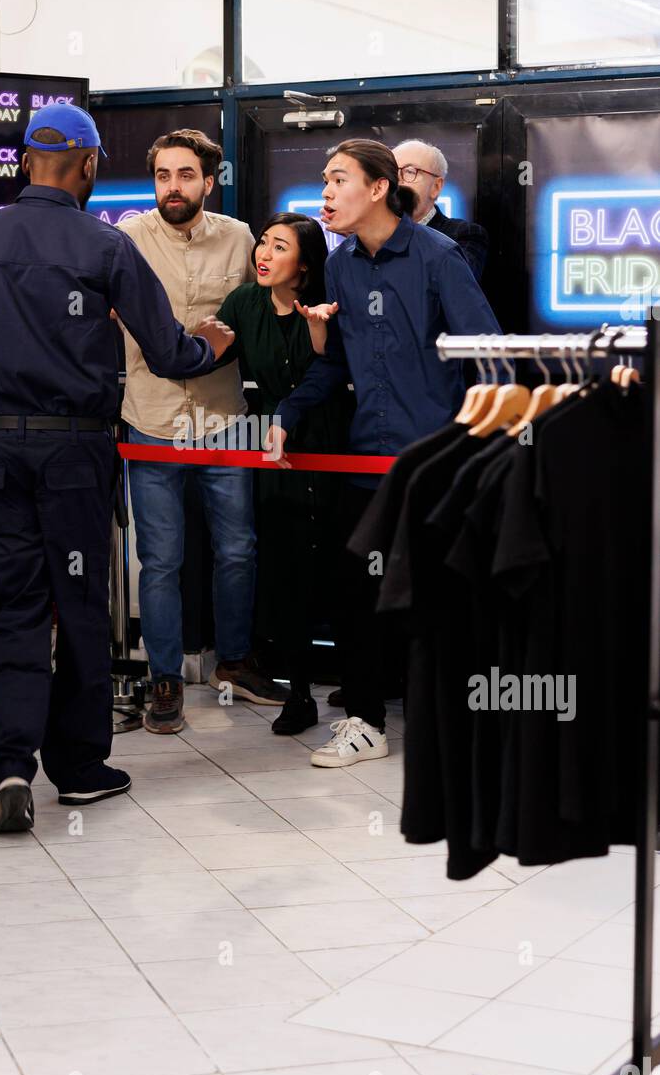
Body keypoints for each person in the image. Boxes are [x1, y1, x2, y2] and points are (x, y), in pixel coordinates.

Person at [0, 107, 234, 833]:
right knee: (79, 605)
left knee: (15, 604)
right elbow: (170, 355)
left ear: (24, 162)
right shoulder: (103, 246)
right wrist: (214, 343)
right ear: (87, 165)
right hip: (73, 450)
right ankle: (77, 768)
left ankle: (11, 763)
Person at [264, 139, 501, 769]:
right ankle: (365, 723)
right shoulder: (340, 265)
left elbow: (488, 354)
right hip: (366, 463)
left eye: (338, 179)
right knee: (355, 593)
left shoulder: (439, 256)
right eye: (323, 179)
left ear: (378, 188)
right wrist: (285, 416)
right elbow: (337, 361)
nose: (325, 192)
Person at [120, 129, 284, 735]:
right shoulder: (128, 239)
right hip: (152, 421)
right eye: (164, 176)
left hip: (223, 420)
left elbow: (262, 311)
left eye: (186, 175)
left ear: (208, 181)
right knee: (160, 560)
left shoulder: (240, 238)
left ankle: (234, 663)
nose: (173, 187)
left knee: (238, 549)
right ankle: (164, 677)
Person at [216, 213, 353, 735]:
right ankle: (298, 694)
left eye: (279, 247)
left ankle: (363, 680)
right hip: (274, 454)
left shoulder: (326, 305)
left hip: (331, 445)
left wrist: (320, 335)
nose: (264, 254)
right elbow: (207, 355)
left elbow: (332, 368)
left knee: (343, 568)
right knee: (285, 571)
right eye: (263, 244)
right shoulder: (244, 303)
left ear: (304, 265)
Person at [392, 138, 490, 281]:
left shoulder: (464, 235)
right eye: (391, 171)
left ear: (436, 187)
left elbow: (455, 284)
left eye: (410, 171)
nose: (398, 180)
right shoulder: (366, 235)